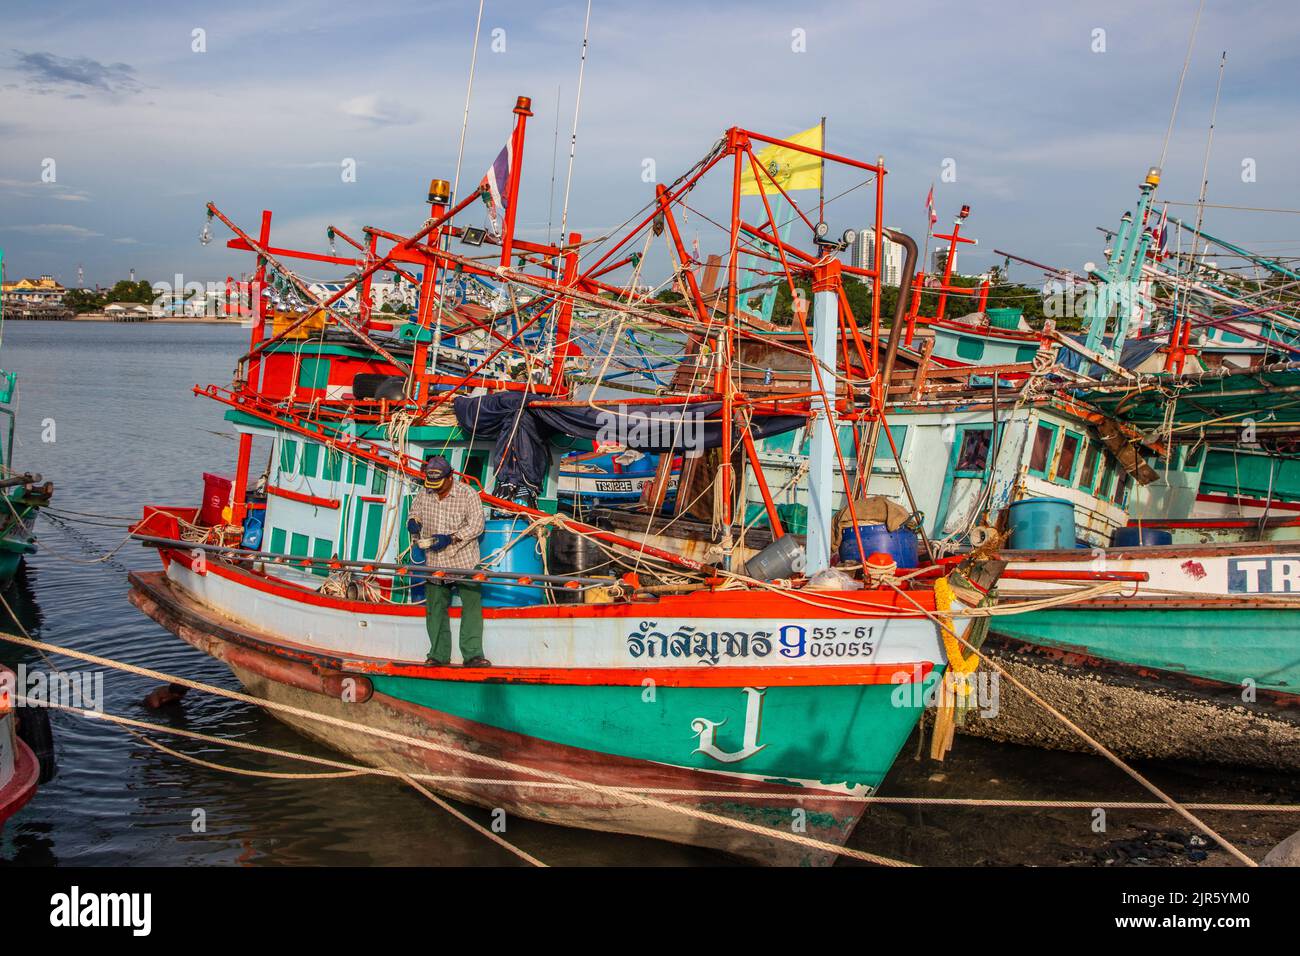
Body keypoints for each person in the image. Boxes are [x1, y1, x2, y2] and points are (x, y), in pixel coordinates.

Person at [407, 456, 490, 667]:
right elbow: (415, 512)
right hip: (435, 561)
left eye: (439, 485)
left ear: (450, 477)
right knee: (435, 607)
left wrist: (451, 538)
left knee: (471, 606)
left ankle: (473, 656)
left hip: (464, 560)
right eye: (431, 485)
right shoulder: (425, 493)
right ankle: (437, 655)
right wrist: (413, 523)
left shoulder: (468, 494)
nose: (435, 489)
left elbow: (476, 526)